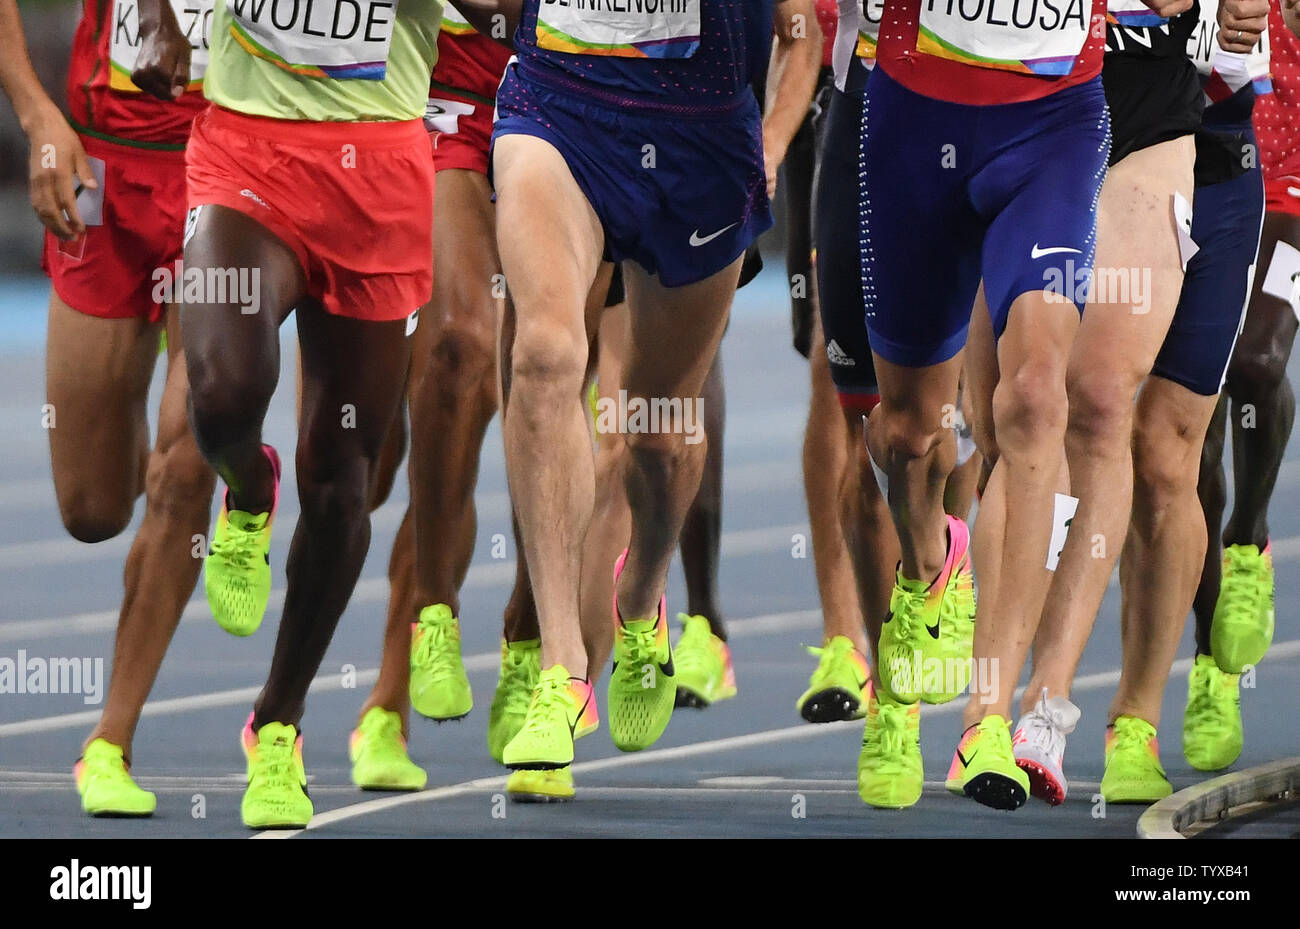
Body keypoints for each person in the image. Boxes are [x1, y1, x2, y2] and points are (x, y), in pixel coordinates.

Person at [134, 0, 443, 829]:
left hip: (380, 174)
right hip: (248, 150)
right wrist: (154, 15)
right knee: (225, 391)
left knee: (346, 484)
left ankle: (278, 723)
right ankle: (249, 490)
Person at [491, 0, 792, 772]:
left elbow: (802, 28)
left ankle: (642, 598)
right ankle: (562, 668)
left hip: (701, 131)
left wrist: (776, 139)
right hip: (559, 100)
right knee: (547, 354)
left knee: (657, 436)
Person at [855, 0, 1134, 813]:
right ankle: (924, 571)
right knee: (907, 431)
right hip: (916, 113)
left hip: (1054, 123)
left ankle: (988, 712)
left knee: (1039, 396)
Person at [995, 0, 1272, 806]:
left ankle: (1138, 715)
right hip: (1076, 153)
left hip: (1217, 170)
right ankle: (1022, 694)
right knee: (1061, 420)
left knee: (1165, 452)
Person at [0, 0, 216, 817]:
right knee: (91, 508)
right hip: (105, 171)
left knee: (183, 464)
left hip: (228, 172)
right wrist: (38, 113)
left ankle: (109, 741)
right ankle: (218, 449)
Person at [1190, 0, 1300, 771]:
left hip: (1295, 190)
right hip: (1201, 165)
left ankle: (1248, 542)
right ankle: (1210, 669)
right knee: (1186, 445)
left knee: (1257, 363)